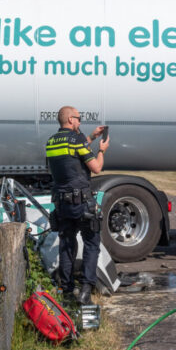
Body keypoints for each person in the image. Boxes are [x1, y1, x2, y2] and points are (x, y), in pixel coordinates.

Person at [45, 106, 109, 305]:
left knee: (66, 245)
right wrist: (101, 150)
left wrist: (92, 137)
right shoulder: (77, 140)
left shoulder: (51, 142)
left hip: (61, 204)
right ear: (71, 120)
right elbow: (96, 168)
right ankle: (85, 291)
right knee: (91, 244)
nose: (80, 122)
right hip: (81, 203)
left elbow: (72, 152)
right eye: (79, 119)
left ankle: (67, 291)